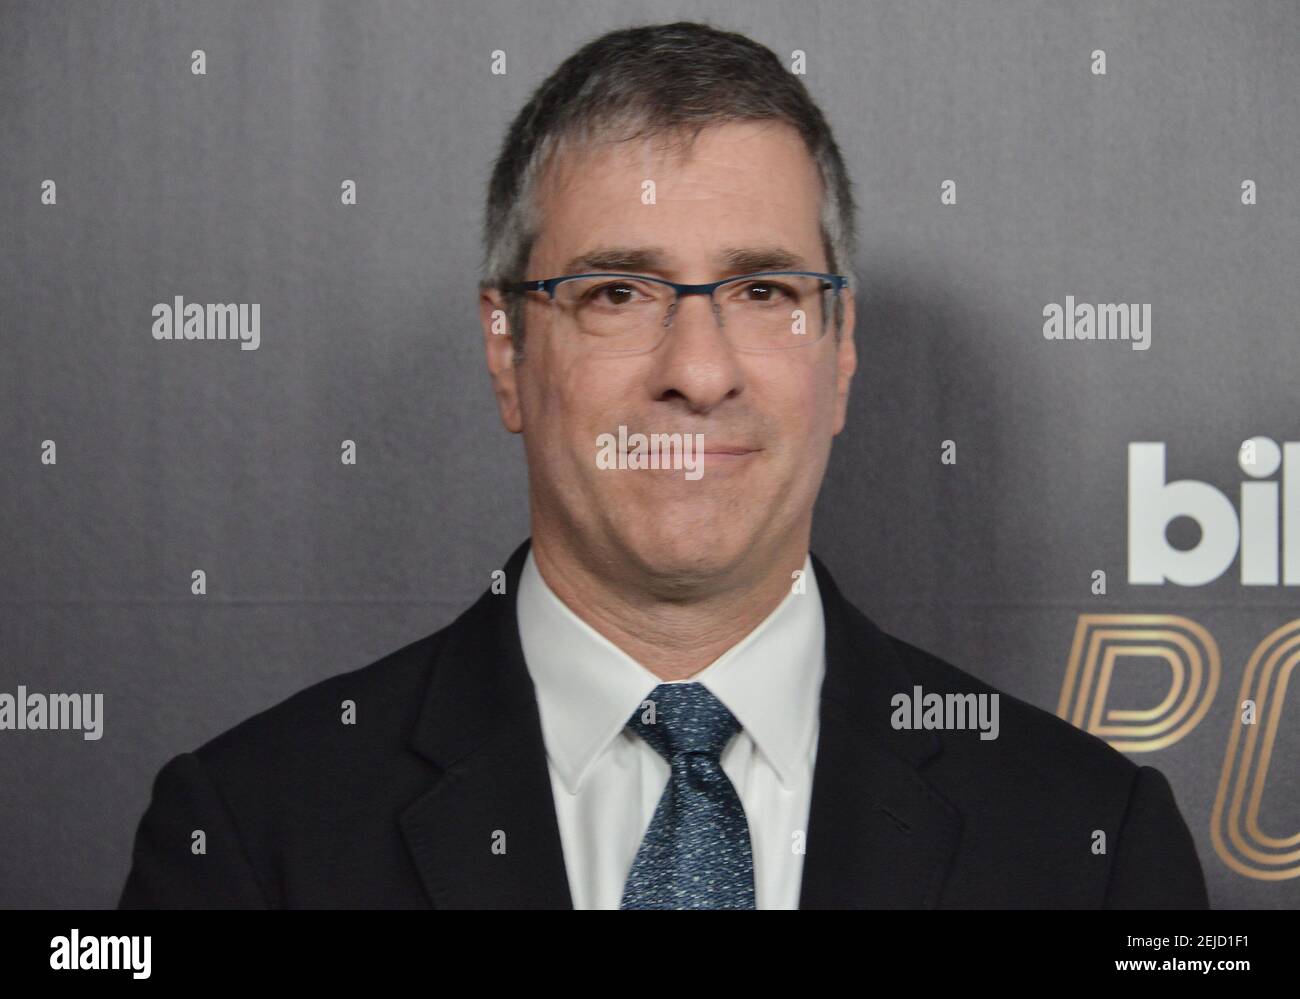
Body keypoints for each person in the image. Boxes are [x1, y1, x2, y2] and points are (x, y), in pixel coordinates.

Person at [120, 20, 1208, 909]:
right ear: (507, 352)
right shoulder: (251, 838)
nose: (697, 371)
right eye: (617, 293)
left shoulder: (1091, 846)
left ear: (839, 358)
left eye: (764, 292)